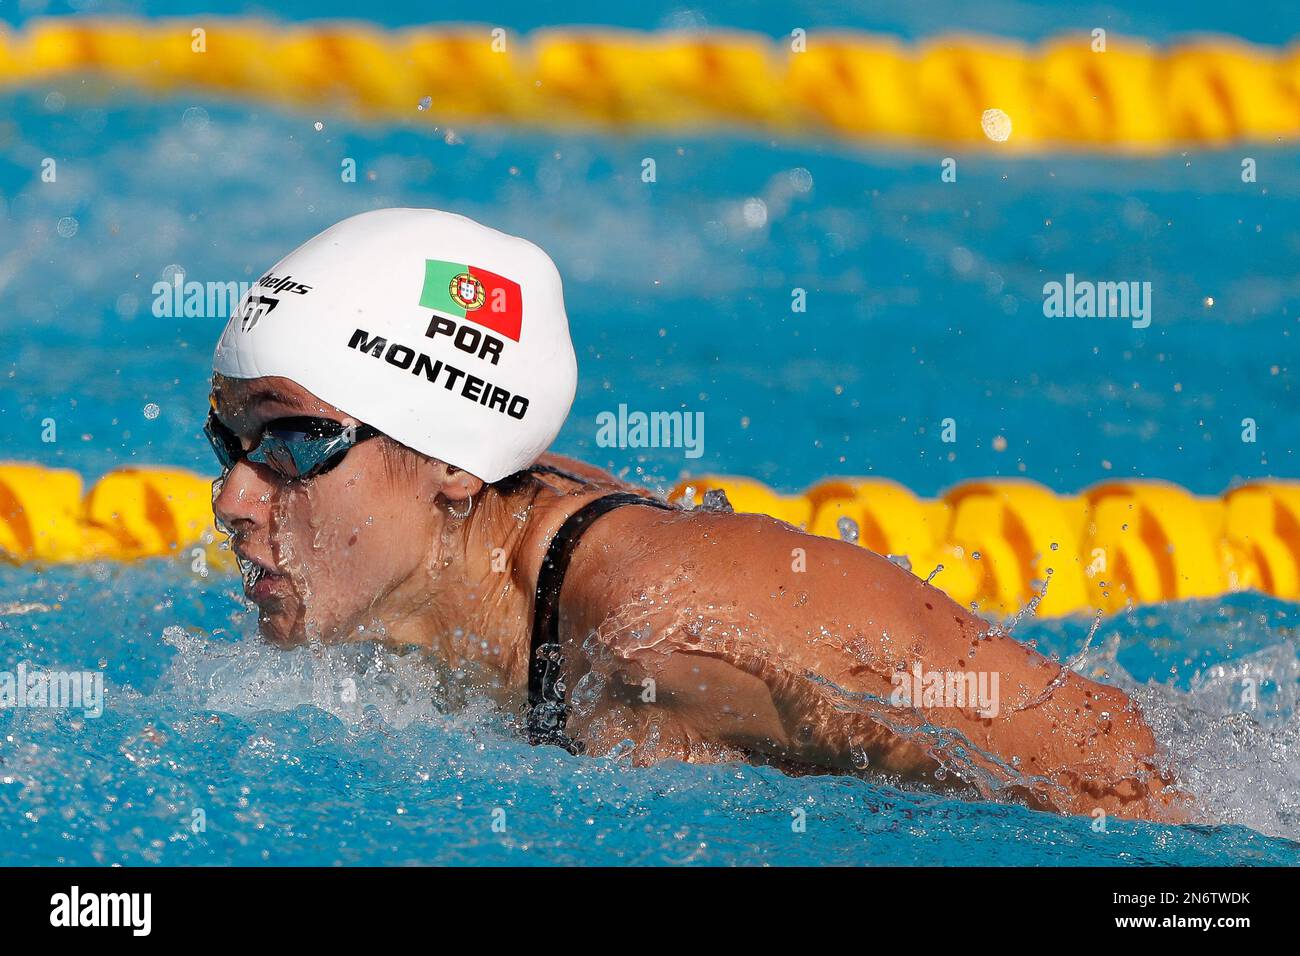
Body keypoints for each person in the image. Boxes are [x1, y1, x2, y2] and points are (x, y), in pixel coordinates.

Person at [208, 208, 1188, 822]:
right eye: (228, 440)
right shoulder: (433, 572)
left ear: (456, 462)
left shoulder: (671, 626)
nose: (233, 498)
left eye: (291, 441)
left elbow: (1114, 762)